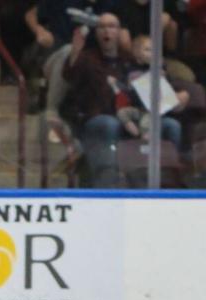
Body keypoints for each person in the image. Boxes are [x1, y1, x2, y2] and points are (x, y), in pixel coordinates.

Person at [61, 12, 130, 187]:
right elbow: (70, 76)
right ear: (97, 33)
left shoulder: (127, 60)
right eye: (102, 27)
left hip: (129, 118)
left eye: (111, 26)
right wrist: (75, 51)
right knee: (109, 124)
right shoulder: (87, 58)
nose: (106, 31)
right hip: (95, 119)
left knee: (169, 125)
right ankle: (107, 184)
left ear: (120, 32)